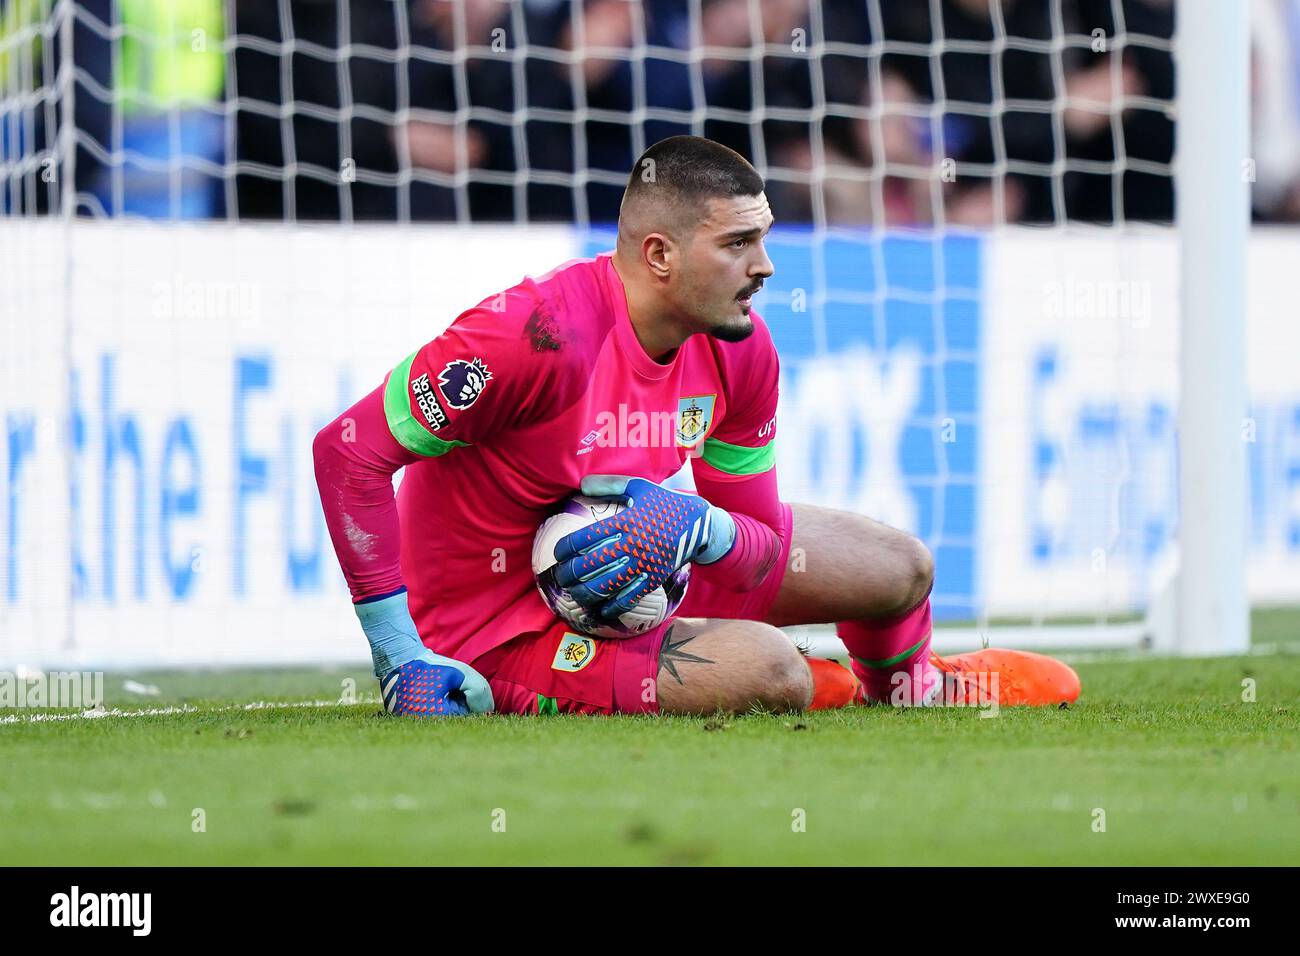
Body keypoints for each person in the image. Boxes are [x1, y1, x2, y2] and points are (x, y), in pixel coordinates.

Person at [313, 134, 1081, 717]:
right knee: (769, 669)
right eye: (739, 243)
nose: (767, 265)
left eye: (765, 237)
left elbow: (759, 542)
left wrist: (700, 529)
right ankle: (799, 681)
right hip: (495, 626)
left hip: (639, 560)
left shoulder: (741, 350)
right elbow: (346, 455)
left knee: (901, 566)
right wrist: (397, 653)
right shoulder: (533, 336)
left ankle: (913, 687)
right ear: (659, 257)